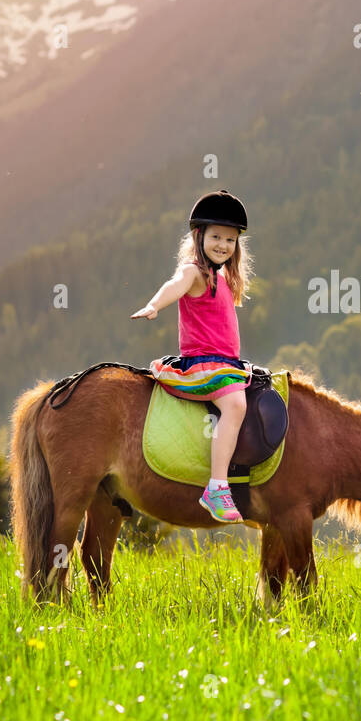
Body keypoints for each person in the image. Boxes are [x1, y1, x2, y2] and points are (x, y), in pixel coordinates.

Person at [132, 190, 253, 523]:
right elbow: (175, 284)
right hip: (204, 364)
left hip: (226, 363)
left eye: (230, 240)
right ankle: (216, 487)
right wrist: (155, 305)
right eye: (216, 237)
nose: (223, 245)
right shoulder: (194, 272)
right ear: (199, 236)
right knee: (236, 405)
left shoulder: (224, 276)